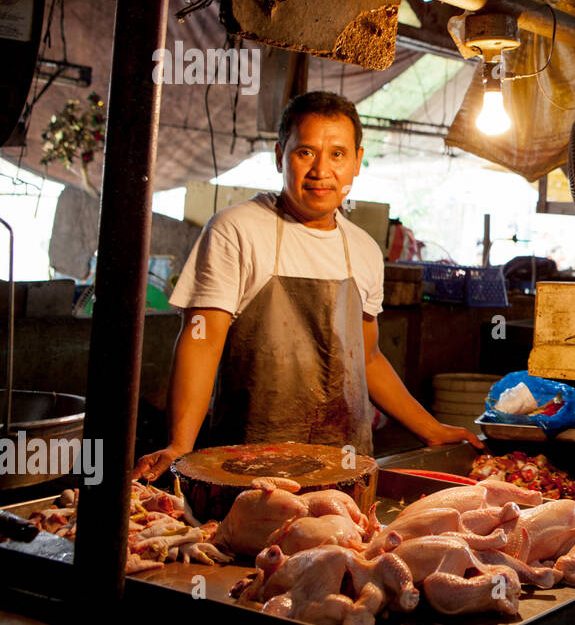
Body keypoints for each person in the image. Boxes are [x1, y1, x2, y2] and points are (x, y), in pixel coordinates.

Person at [133, 92, 481, 481]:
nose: (321, 170)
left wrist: (431, 428)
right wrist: (181, 444)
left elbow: (368, 359)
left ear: (356, 162)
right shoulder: (237, 229)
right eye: (305, 153)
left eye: (337, 154)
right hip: (248, 465)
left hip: (344, 468)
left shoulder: (364, 249)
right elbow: (202, 341)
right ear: (280, 155)